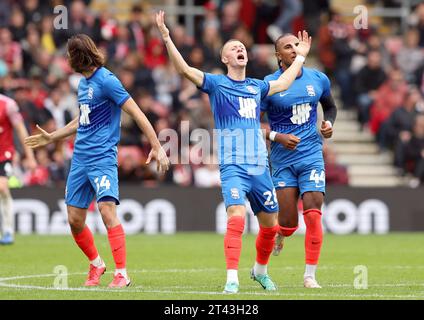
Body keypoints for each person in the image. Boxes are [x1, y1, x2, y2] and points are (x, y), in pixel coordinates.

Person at [155, 11, 311, 293]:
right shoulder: (217, 84)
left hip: (259, 166)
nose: (239, 50)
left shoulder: (257, 86)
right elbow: (185, 71)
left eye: (242, 48)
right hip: (233, 166)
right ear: (225, 59)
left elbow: (285, 82)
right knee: (236, 216)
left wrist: (301, 56)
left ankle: (259, 271)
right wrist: (167, 37)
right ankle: (232, 279)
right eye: (233, 49)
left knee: (270, 226)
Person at [25, 34, 169, 288]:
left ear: (77, 56)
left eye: (69, 54)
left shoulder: (108, 81)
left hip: (102, 157)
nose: (67, 59)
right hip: (80, 159)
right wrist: (52, 137)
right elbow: (82, 118)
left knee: (106, 210)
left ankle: (122, 273)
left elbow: (136, 112)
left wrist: (157, 146)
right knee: (74, 219)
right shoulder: (83, 85)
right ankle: (96, 263)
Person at [260, 33, 337, 288]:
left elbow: (331, 107)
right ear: (277, 55)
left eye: (296, 45)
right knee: (289, 222)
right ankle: (283, 234)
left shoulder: (318, 78)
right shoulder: (269, 84)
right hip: (282, 160)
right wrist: (276, 136)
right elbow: (251, 124)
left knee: (314, 213)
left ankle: (310, 276)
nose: (293, 49)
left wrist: (328, 124)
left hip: (312, 154)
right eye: (287, 47)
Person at [0, 94, 37, 245]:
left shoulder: (8, 104)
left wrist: (30, 157)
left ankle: (8, 230)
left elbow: (21, 130)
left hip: (4, 154)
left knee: (2, 187)